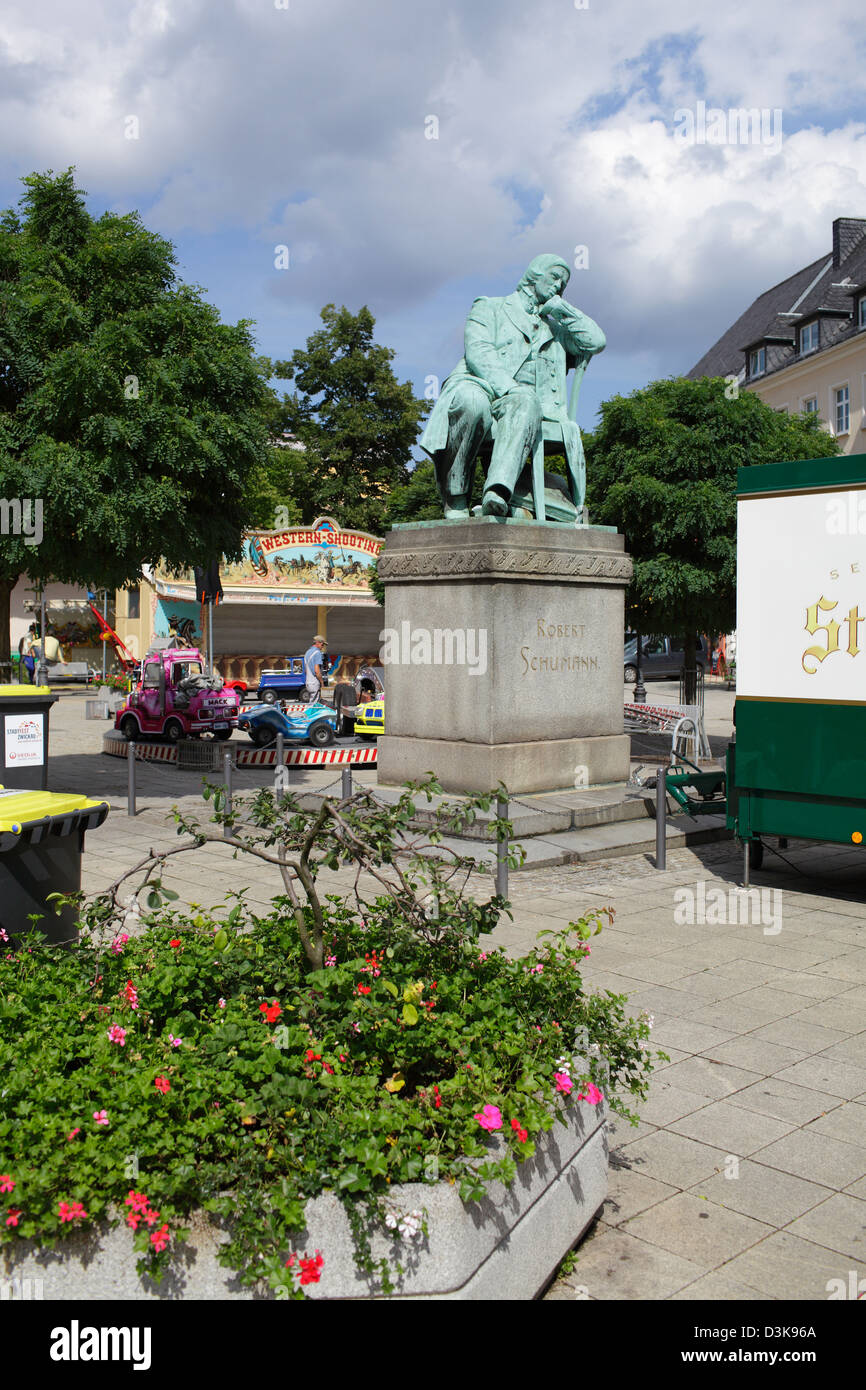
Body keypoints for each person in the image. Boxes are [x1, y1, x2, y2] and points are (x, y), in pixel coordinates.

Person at [419, 253, 605, 518]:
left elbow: (596, 341)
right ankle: (456, 496)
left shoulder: (556, 330)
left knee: (527, 400)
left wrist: (562, 309)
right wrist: (508, 386)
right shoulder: (489, 307)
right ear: (534, 275)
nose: (558, 286)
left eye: (563, 285)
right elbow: (478, 353)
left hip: (521, 403)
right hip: (478, 383)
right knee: (473, 403)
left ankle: (497, 492)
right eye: (554, 278)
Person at [303, 635, 327, 701]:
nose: (323, 647)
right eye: (322, 645)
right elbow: (317, 671)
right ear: (318, 643)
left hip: (308, 683)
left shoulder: (307, 652)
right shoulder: (317, 653)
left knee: (311, 702)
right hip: (314, 683)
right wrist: (322, 683)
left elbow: (305, 670)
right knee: (314, 705)